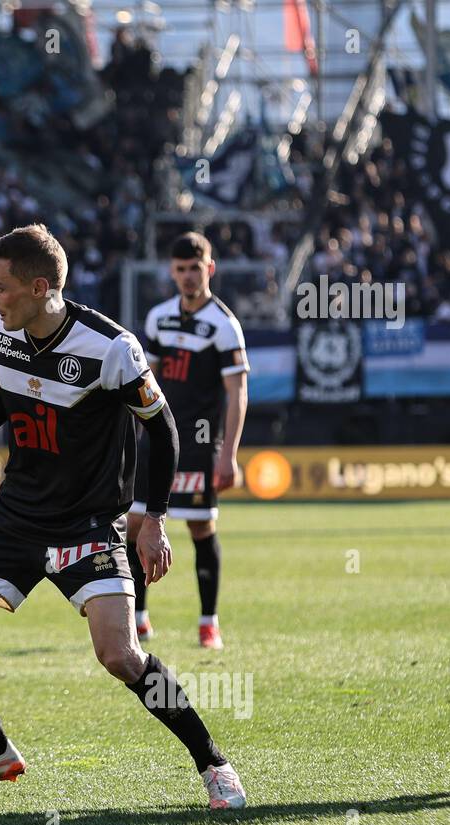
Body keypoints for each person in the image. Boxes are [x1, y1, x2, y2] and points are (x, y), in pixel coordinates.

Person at [0, 224, 246, 809]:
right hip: (15, 517)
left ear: (39, 287)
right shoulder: (1, 329)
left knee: (120, 655)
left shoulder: (111, 348)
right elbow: (4, 396)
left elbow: (162, 429)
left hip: (87, 526)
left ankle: (214, 765)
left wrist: (153, 517)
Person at [128, 232, 249, 650]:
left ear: (209, 269)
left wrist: (228, 455)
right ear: (172, 272)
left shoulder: (224, 325)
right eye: (180, 269)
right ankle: (138, 620)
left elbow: (237, 393)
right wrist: (135, 437)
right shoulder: (158, 317)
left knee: (201, 526)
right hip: (157, 439)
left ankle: (208, 622)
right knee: (133, 525)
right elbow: (146, 383)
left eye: (195, 268)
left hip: (199, 442)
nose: (188, 276)